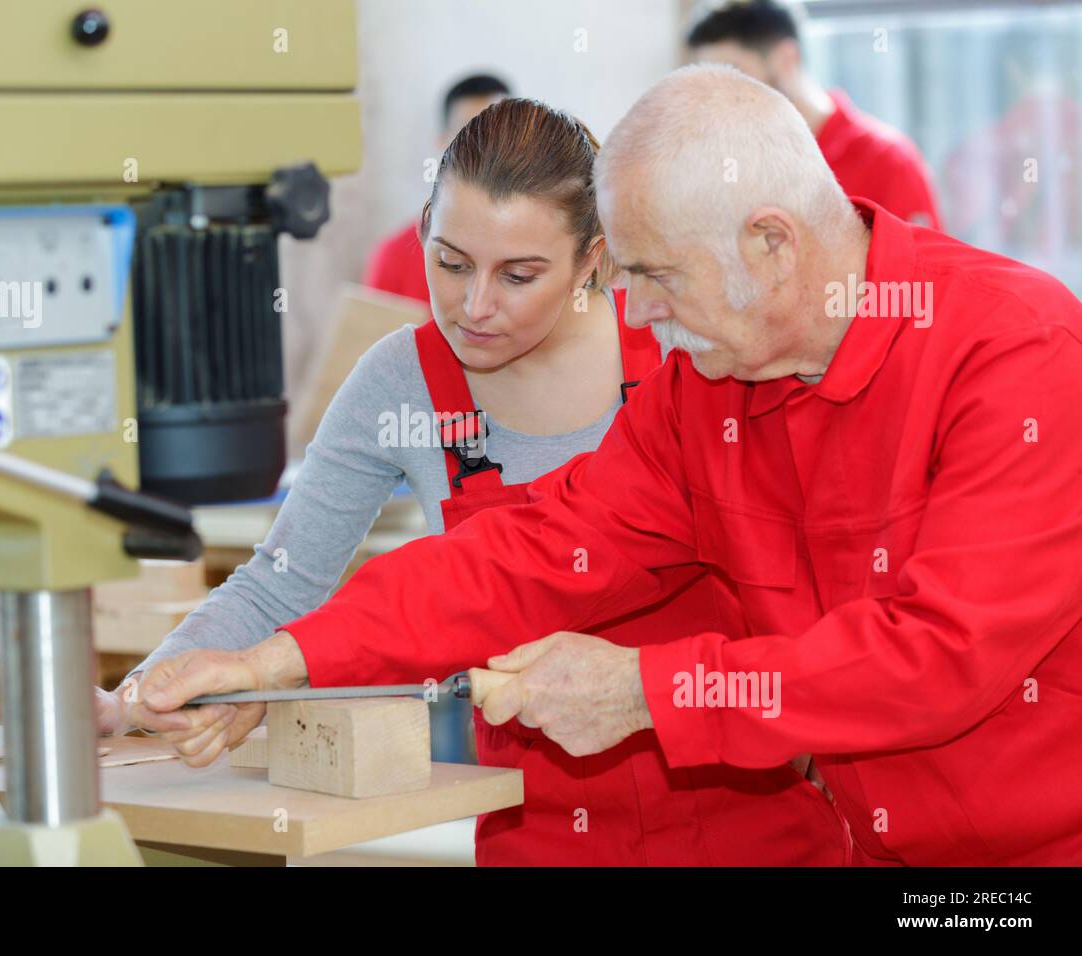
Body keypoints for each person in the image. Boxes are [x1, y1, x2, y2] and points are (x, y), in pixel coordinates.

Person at [138, 64, 1082, 867]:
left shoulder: (1018, 355)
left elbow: (937, 656)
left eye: (655, 276)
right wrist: (285, 657)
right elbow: (537, 548)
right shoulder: (706, 389)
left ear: (772, 244)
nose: (632, 316)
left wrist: (650, 692)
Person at [687, 0, 944, 229]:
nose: (719, 93)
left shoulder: (889, 162)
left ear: (786, 57)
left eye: (734, 71)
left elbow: (922, 276)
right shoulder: (735, 164)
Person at [362, 73, 512, 305]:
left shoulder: (552, 247)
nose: (488, 150)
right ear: (443, 143)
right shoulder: (396, 256)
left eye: (501, 134)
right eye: (470, 135)